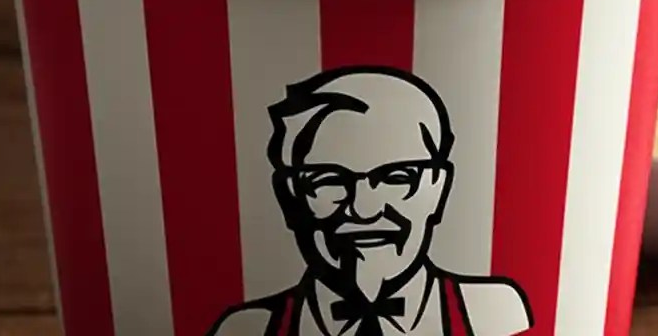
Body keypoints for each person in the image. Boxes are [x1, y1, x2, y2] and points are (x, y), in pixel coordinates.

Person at [210, 66, 532, 336]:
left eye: (397, 178)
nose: (365, 209)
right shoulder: (250, 327)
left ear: (438, 188)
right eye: (329, 181)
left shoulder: (494, 313)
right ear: (290, 198)